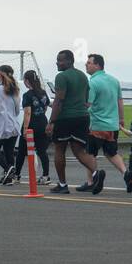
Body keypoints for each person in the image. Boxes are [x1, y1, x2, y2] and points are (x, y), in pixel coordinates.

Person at [45, 49, 98, 195]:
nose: (57, 62)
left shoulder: (61, 77)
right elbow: (86, 99)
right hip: (82, 117)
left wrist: (51, 121)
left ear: (69, 61)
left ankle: (62, 184)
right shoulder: (83, 76)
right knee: (79, 150)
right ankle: (96, 173)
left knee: (59, 149)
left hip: (65, 118)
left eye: (60, 60)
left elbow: (59, 100)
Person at [83, 54, 126, 193]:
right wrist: (121, 119)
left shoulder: (92, 82)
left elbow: (87, 104)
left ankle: (92, 180)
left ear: (97, 65)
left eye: (89, 63)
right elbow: (120, 101)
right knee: (112, 153)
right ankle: (127, 174)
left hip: (97, 124)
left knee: (90, 153)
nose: (86, 64)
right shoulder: (114, 81)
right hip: (112, 125)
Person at [14, 70, 51, 185]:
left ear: (27, 81)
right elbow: (45, 107)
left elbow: (27, 113)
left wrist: (25, 129)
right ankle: (45, 176)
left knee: (21, 152)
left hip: (31, 126)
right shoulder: (43, 93)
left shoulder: (27, 95)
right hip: (42, 123)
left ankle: (17, 175)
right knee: (42, 152)